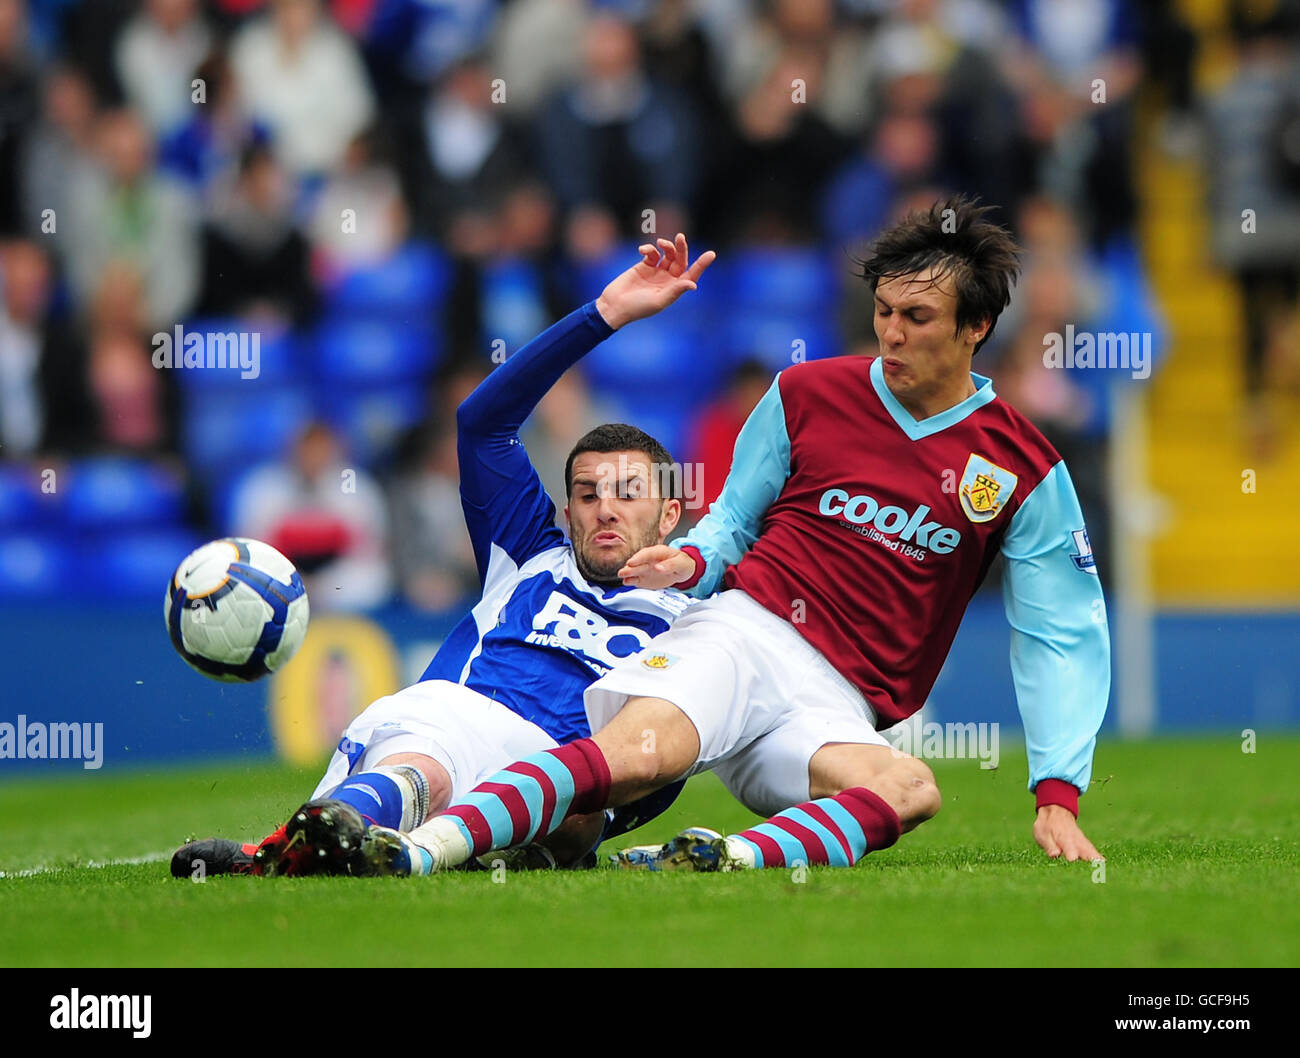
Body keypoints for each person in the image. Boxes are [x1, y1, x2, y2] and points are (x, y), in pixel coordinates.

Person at [340, 205, 1109, 877]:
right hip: (747, 635)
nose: (892, 334)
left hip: (837, 703)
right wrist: (694, 560)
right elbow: (735, 520)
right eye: (883, 311)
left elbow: (1060, 632)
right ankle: (423, 849)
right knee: (638, 757)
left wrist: (1058, 794)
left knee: (910, 790)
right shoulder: (806, 394)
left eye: (918, 318)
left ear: (976, 326)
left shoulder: (1022, 467)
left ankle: (724, 856)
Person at [174, 235, 715, 877]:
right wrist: (603, 315)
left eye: (627, 492)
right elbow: (483, 422)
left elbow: (674, 750)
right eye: (587, 493)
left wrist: (610, 817)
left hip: (562, 775)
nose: (605, 507)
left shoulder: (698, 618)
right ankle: (291, 854)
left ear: (672, 512)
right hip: (457, 715)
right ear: (565, 512)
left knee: (570, 812)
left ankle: (357, 851)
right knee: (421, 770)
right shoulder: (529, 551)